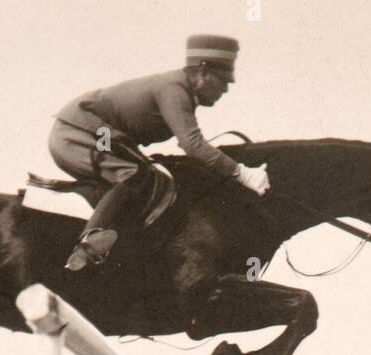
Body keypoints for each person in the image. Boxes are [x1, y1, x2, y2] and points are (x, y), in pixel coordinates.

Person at [48, 34, 270, 271]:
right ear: (203, 72)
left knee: (148, 178)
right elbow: (193, 145)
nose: (225, 89)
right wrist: (241, 172)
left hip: (85, 134)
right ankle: (89, 242)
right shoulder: (174, 89)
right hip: (80, 133)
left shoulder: (180, 90)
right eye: (223, 80)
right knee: (134, 175)